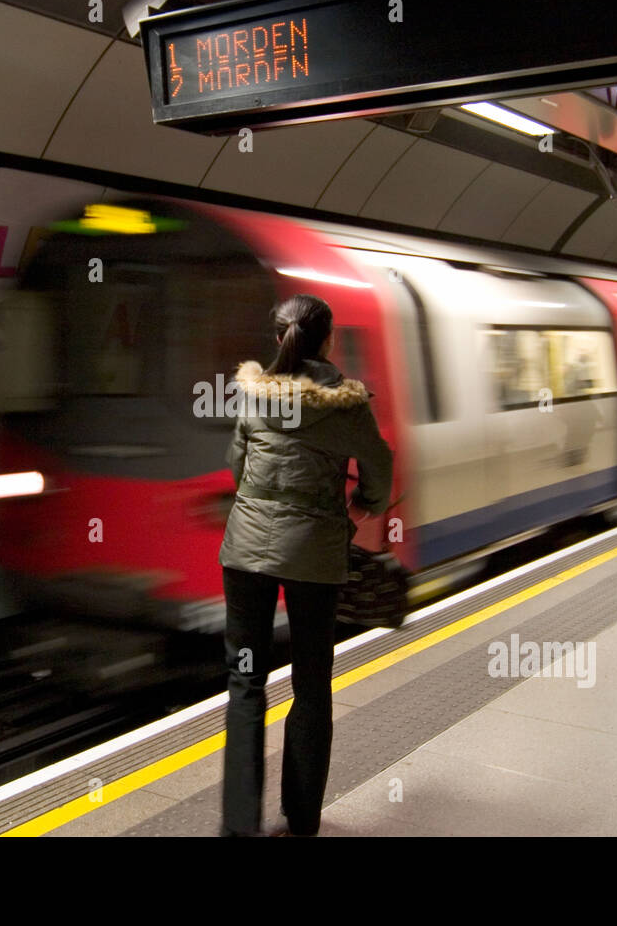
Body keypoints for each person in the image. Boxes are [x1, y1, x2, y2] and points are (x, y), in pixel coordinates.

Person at [218, 293, 393, 836]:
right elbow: (379, 466)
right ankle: (302, 818)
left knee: (245, 682)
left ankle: (240, 823)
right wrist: (365, 502)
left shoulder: (253, 395)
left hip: (246, 550)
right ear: (328, 340)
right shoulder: (348, 404)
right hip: (315, 554)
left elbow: (237, 465)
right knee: (311, 684)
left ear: (279, 339)